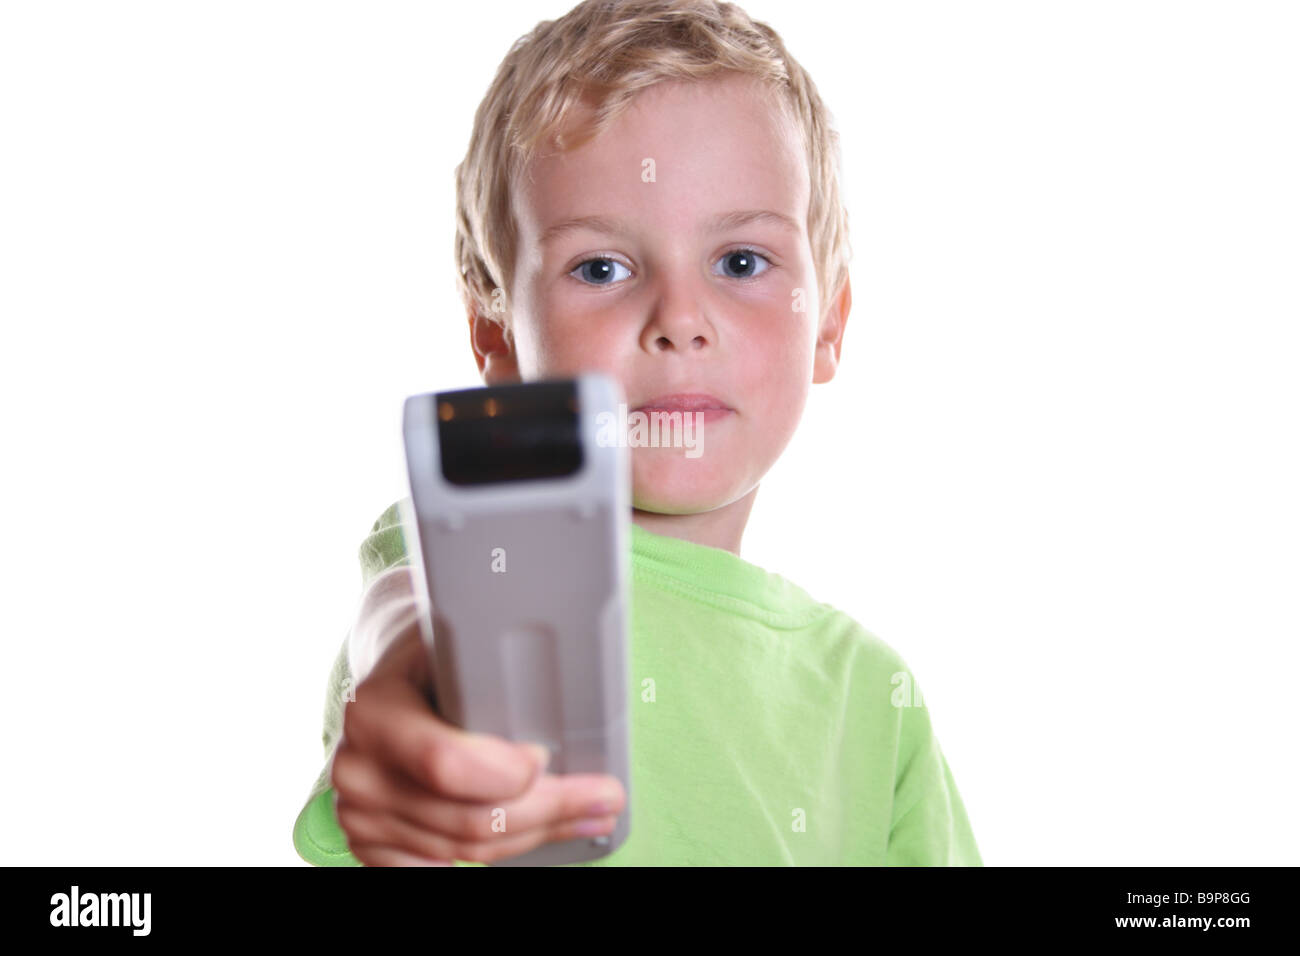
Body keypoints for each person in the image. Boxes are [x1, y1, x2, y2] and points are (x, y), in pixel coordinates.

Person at [293, 0, 982, 866]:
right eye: (602, 268)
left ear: (829, 324)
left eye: (740, 262)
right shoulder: (489, 549)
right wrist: (406, 665)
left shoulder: (876, 700)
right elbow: (410, 605)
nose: (680, 319)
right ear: (498, 338)